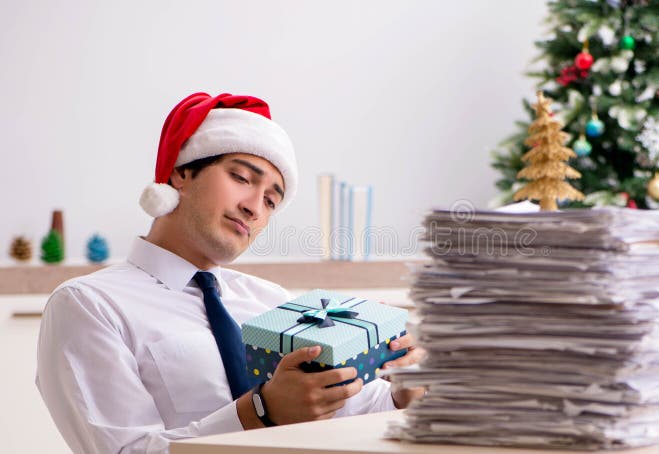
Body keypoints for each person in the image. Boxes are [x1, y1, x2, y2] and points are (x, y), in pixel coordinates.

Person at [35, 92, 425, 453]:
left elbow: (348, 402)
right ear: (181, 174)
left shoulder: (277, 302)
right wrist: (259, 412)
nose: (255, 208)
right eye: (242, 178)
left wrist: (401, 390)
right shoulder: (89, 305)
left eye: (272, 200)